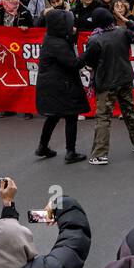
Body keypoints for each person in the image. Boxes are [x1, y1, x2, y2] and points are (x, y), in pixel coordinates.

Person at [76, 6, 134, 165]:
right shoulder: (122, 32)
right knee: (130, 110)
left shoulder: (94, 39)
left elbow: (89, 62)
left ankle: (100, 154)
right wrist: (126, 21)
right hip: (124, 78)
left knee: (103, 117)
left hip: (106, 82)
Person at [35, 9, 87, 163]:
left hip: (52, 85)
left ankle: (42, 146)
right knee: (71, 115)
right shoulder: (57, 44)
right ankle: (70, 152)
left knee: (53, 116)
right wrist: (89, 52)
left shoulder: (51, 38)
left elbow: (68, 42)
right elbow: (74, 63)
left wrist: (74, 34)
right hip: (60, 85)